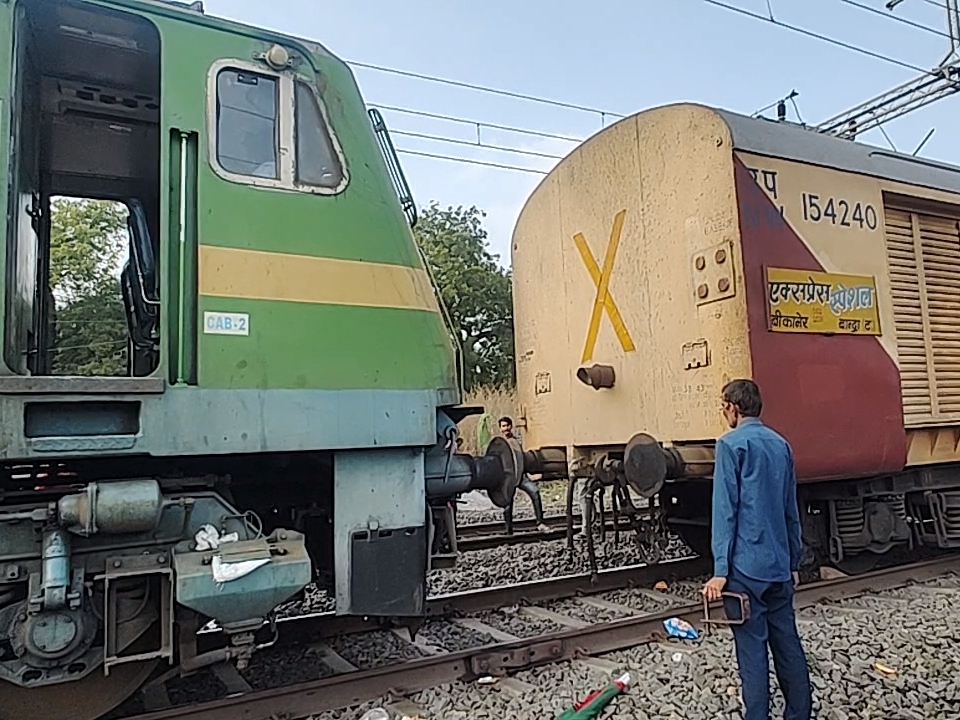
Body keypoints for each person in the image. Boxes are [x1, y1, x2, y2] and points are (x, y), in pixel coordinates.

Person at [702, 379, 812, 720]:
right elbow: (790, 509)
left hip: (745, 570)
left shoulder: (730, 445)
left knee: (752, 652)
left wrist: (720, 571)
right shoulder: (781, 445)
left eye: (724, 407)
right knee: (787, 643)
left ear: (734, 408)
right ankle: (799, 713)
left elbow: (726, 511)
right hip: (779, 565)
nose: (724, 413)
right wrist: (793, 561)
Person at [498, 416, 549, 534]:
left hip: (521, 476)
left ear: (511, 426)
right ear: (500, 428)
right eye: (503, 426)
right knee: (508, 502)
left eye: (507, 425)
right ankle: (509, 529)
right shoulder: (499, 444)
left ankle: (540, 523)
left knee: (535, 492)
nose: (506, 428)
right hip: (508, 478)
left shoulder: (518, 440)